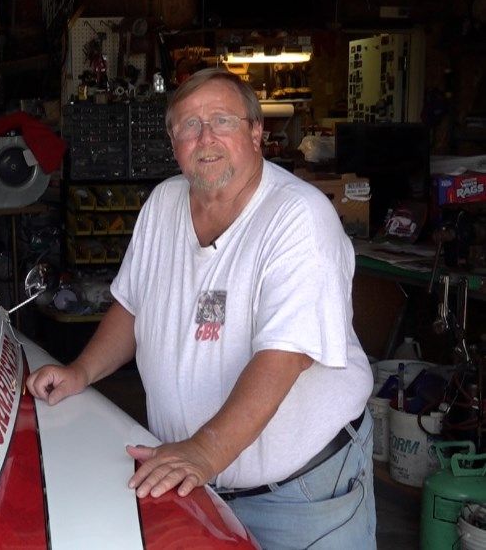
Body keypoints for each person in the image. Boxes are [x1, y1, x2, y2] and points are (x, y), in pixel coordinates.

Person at [27, 67, 375, 548]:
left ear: (256, 132)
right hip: (197, 482)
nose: (205, 137)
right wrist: (80, 372)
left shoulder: (299, 217)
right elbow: (131, 308)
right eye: (189, 126)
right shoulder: (163, 203)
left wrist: (205, 451)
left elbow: (284, 358)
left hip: (298, 497)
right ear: (173, 143)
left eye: (222, 121)